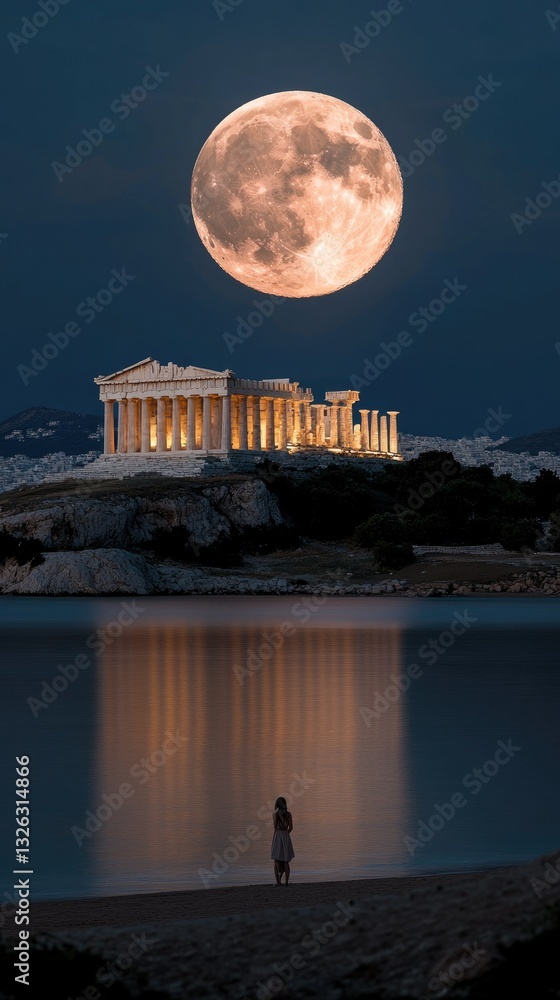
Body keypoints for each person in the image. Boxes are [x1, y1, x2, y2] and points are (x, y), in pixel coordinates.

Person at [270, 796, 294, 885]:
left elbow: (275, 827)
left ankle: (278, 882)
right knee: (286, 861)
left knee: (276, 860)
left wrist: (278, 815)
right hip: (286, 835)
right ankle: (286, 882)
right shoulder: (289, 814)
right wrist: (286, 834)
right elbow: (291, 827)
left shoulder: (275, 814)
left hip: (278, 835)